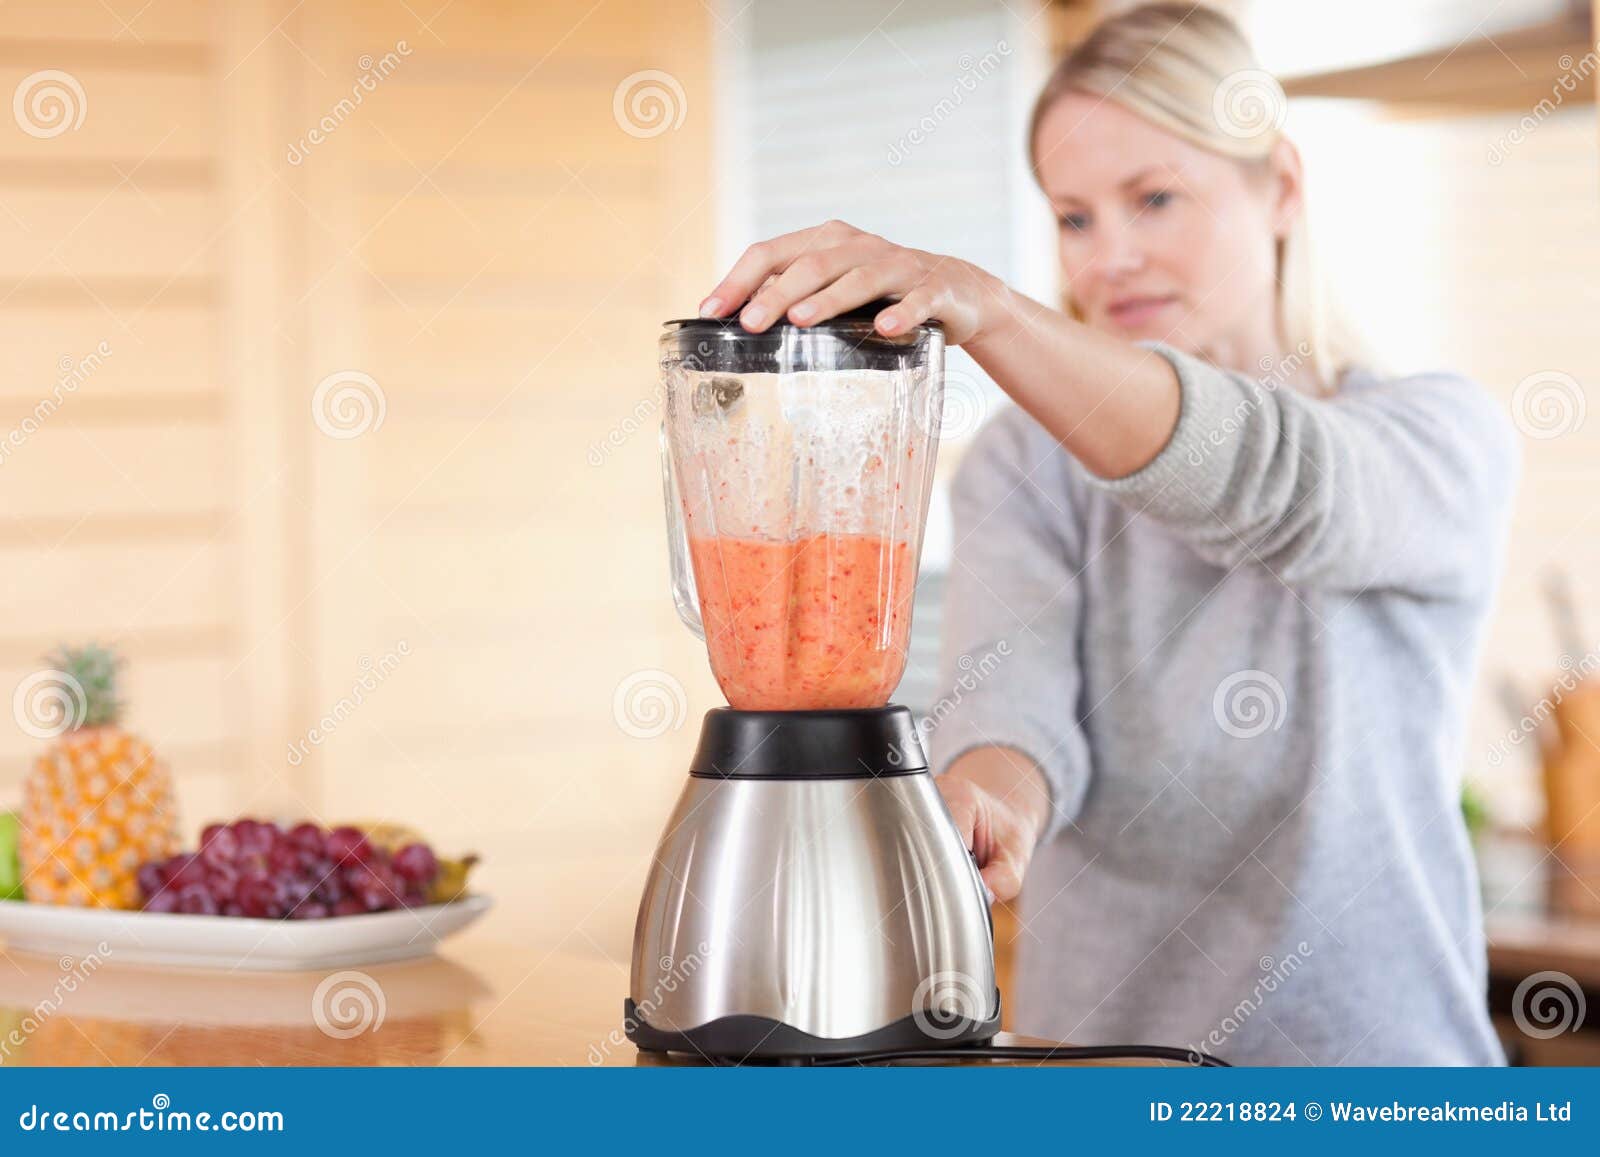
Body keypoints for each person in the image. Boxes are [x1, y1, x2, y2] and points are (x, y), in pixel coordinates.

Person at [695, 2, 1517, 1065]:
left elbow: (1268, 477)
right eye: (1074, 217)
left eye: (1154, 198)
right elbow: (1013, 702)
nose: (1110, 256)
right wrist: (985, 803)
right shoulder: (1025, 464)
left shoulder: (1437, 438)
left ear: (1280, 186)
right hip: (1099, 1073)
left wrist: (988, 309)